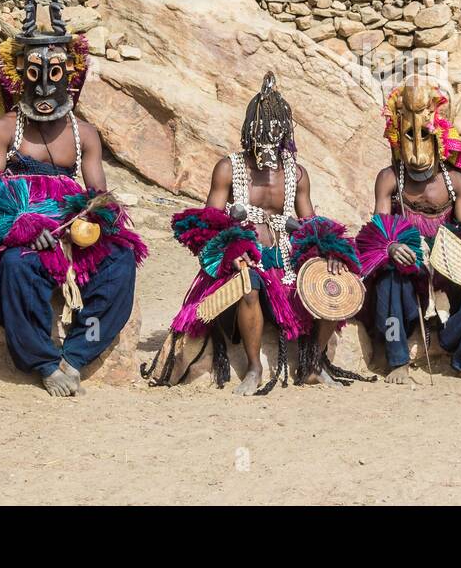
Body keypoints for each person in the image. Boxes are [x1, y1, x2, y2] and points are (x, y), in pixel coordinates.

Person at [0, 0, 146, 398]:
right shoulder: (5, 128)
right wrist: (26, 227)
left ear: (70, 76)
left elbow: (100, 196)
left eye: (56, 74)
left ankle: (74, 355)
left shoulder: (84, 133)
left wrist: (88, 220)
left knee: (121, 260)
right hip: (17, 232)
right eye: (36, 75)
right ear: (20, 77)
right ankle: (44, 363)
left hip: (70, 229)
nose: (47, 87)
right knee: (15, 268)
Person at [153, 73, 363, 394]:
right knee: (249, 285)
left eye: (274, 137)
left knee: (333, 281)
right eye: (260, 137)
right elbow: (209, 224)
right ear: (248, 133)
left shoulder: (297, 173)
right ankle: (253, 367)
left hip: (285, 263)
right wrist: (233, 252)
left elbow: (311, 223)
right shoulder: (229, 168)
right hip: (242, 262)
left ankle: (313, 364)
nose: (266, 146)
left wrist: (331, 253)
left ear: (285, 136)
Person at [356, 78, 461, 383]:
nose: (416, 148)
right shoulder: (388, 178)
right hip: (407, 253)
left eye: (423, 134)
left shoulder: (456, 179)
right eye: (409, 135)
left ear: (438, 135)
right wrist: (390, 247)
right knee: (388, 279)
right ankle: (397, 357)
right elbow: (379, 227)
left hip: (446, 252)